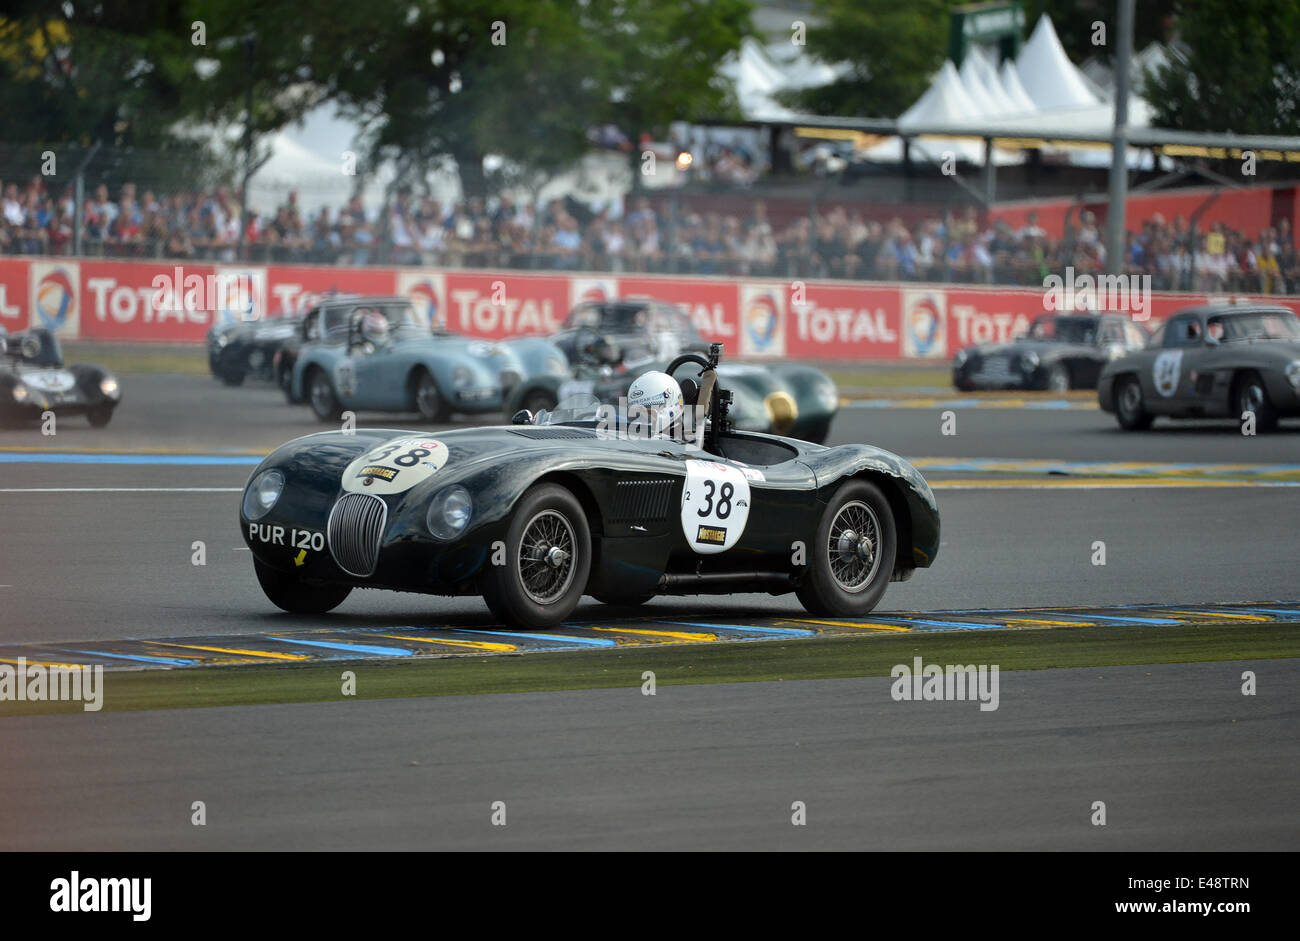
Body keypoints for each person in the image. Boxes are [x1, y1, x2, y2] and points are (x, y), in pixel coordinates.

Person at [627, 370, 684, 438]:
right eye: (637, 413)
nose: (643, 416)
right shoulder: (625, 438)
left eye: (649, 408)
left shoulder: (687, 444)